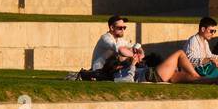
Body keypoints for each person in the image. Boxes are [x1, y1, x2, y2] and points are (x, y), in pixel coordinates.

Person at [79, 15, 207, 83]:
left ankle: (201, 80)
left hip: (117, 68)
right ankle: (198, 77)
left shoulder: (120, 39)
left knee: (175, 73)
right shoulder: (106, 39)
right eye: (120, 28)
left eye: (124, 28)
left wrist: (139, 52)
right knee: (179, 54)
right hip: (102, 71)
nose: (123, 30)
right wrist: (134, 57)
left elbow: (136, 46)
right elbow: (121, 50)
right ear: (111, 28)